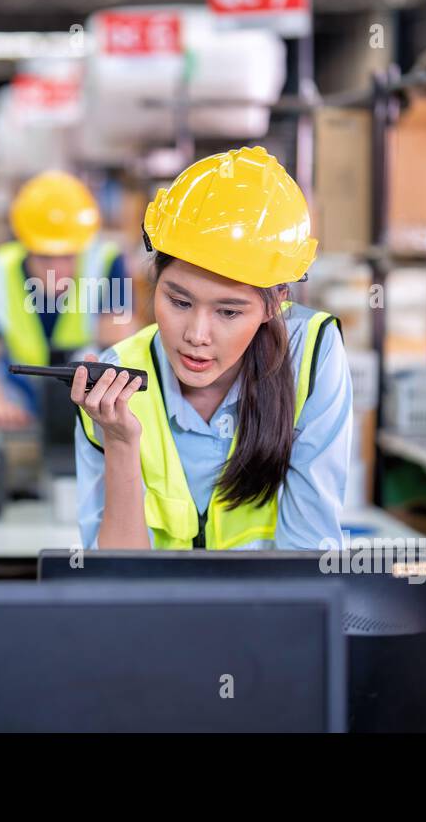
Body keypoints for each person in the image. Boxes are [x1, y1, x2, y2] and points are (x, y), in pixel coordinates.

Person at [72, 145, 352, 550]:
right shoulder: (117, 378)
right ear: (154, 280)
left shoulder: (311, 355)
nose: (197, 335)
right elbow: (117, 584)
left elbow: (308, 555)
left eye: (228, 312)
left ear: (274, 304)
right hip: (158, 613)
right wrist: (118, 442)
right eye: (179, 302)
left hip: (270, 610)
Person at [0, 170, 131, 429]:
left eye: (68, 256)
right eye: (45, 257)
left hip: (89, 401)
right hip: (22, 401)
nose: (57, 269)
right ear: (25, 245)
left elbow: (121, 350)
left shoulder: (106, 263)